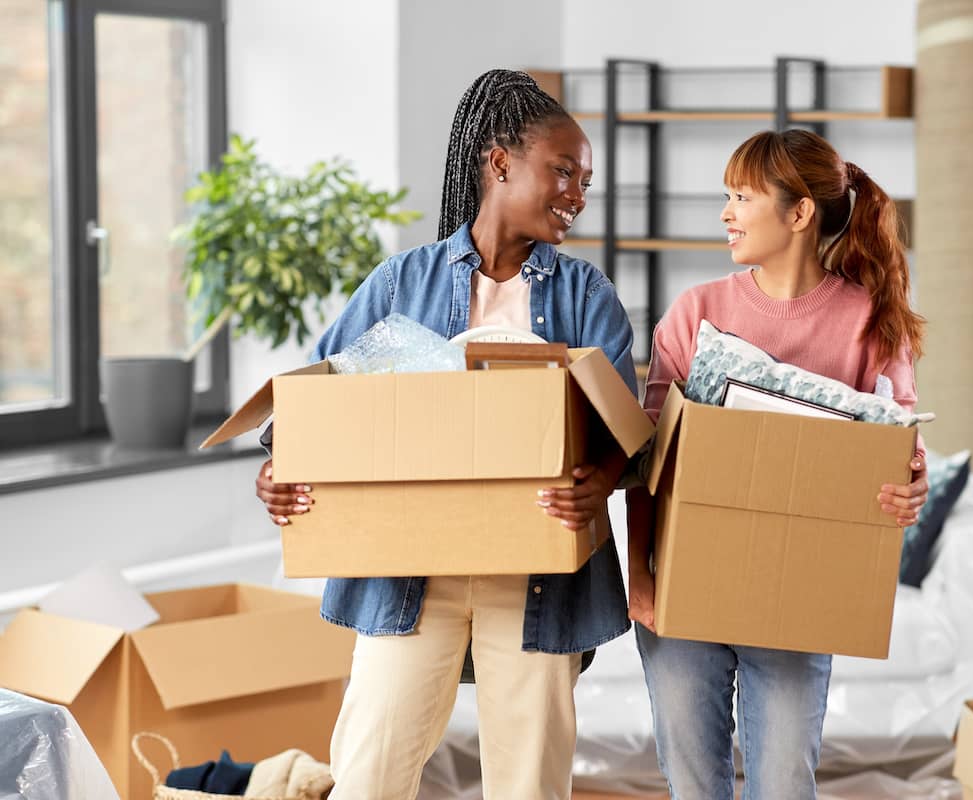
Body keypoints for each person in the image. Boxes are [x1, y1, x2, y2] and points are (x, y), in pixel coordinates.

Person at [254, 69, 636, 800]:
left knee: (528, 785)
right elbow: (309, 403)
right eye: (563, 173)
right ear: (499, 164)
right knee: (369, 771)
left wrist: (603, 476)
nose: (577, 197)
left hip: (537, 577)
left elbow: (624, 432)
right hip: (409, 572)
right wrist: (281, 470)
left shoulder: (588, 296)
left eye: (585, 182)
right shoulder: (401, 283)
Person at [626, 128, 930, 800]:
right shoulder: (695, 313)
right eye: (725, 196)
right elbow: (651, 463)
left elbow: (901, 452)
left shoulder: (870, 324)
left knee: (785, 786)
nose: (726, 213)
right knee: (693, 785)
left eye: (742, 196)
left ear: (799, 214)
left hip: (799, 596)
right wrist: (640, 575)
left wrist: (911, 489)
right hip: (686, 591)